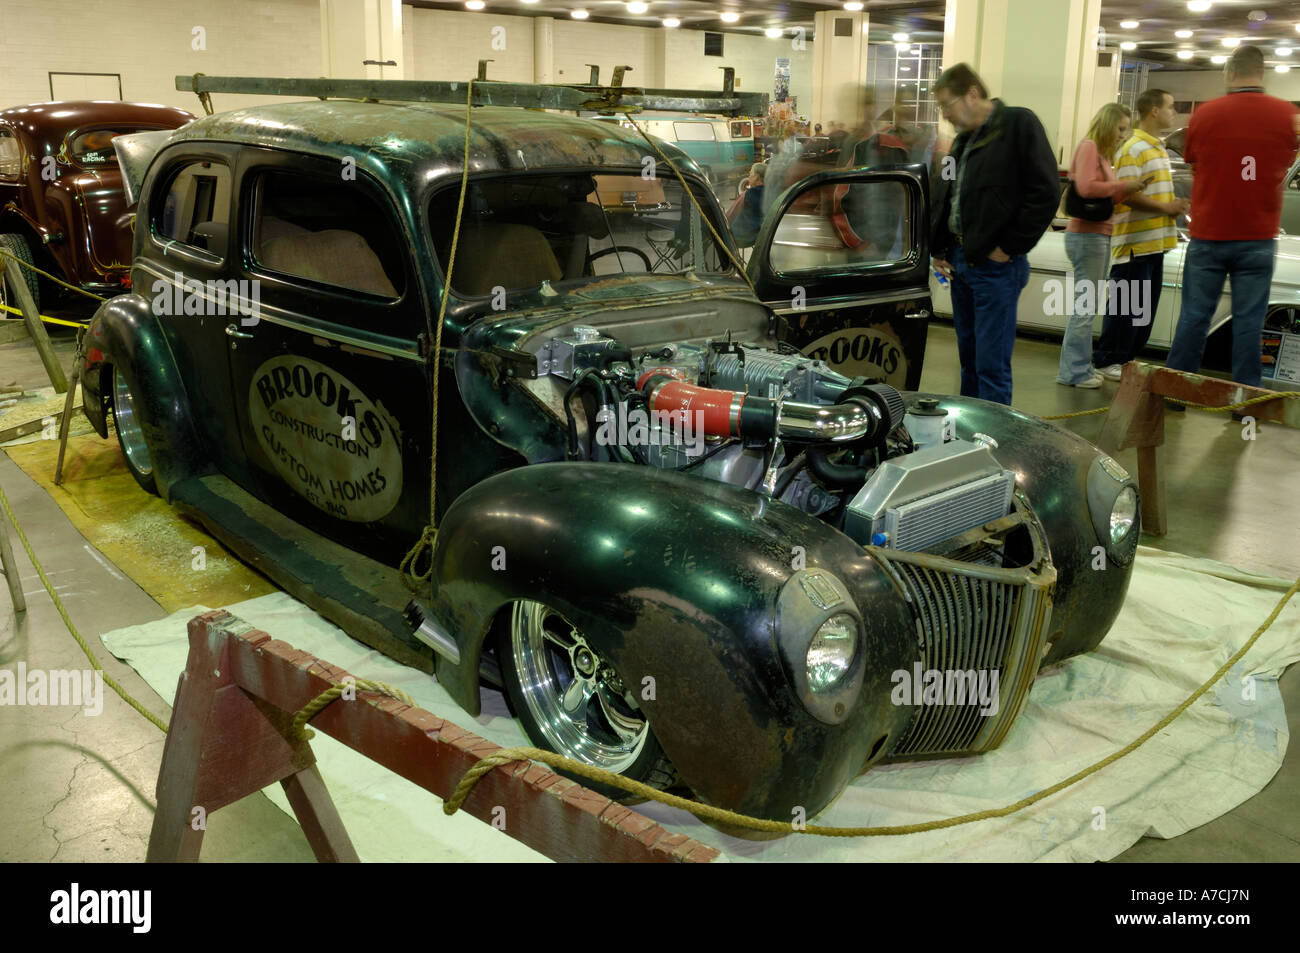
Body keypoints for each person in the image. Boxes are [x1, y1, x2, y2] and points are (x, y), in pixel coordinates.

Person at [1165, 45, 1300, 395]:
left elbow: (1193, 161)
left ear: (1229, 72)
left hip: (1209, 233)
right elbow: (1284, 162)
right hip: (1258, 236)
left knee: (1195, 316)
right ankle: (1245, 399)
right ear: (1263, 72)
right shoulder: (1285, 114)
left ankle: (1176, 391)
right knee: (1249, 321)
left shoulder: (1206, 114)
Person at [930, 63, 1060, 405]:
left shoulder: (1019, 125)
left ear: (972, 94)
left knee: (991, 365)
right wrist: (938, 248)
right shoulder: (962, 141)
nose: (945, 115)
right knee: (969, 361)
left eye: (947, 105)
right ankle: (968, 429)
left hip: (995, 266)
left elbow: (1046, 192)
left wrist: (1008, 247)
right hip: (960, 261)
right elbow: (946, 193)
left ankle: (992, 433)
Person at [1092, 88, 1189, 381]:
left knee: (1143, 311)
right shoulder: (1133, 148)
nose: (1174, 112)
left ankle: (1127, 359)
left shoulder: (1158, 148)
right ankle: (1108, 358)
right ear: (1154, 110)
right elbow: (1126, 195)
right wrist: (1166, 208)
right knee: (1125, 306)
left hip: (1155, 244)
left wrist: (1173, 206)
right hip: (1134, 244)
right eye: (1171, 106)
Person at [1058, 103, 1145, 388]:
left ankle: (1079, 367)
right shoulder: (1090, 147)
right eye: (1120, 128)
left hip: (1098, 235)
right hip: (1087, 236)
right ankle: (1073, 372)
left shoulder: (1103, 155)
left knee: (1088, 305)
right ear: (1107, 124)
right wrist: (1122, 186)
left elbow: (1103, 195)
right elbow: (1086, 188)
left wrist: (1128, 189)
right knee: (1085, 307)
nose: (1122, 135)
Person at [730, 163, 767, 247]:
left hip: (741, 237)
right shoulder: (769, 193)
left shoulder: (749, 193)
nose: (749, 176)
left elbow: (731, 214)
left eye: (750, 173)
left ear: (756, 177)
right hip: (760, 236)